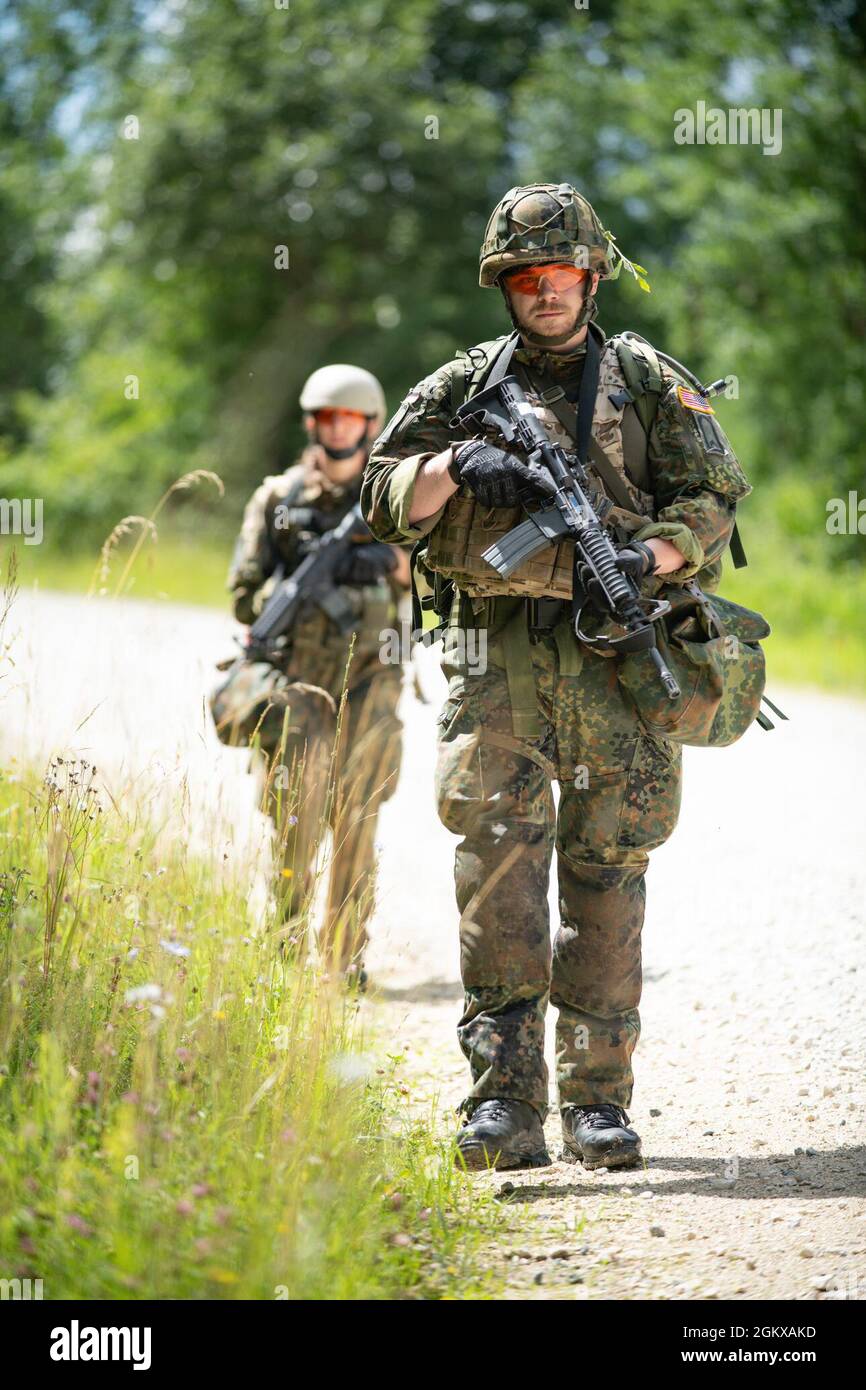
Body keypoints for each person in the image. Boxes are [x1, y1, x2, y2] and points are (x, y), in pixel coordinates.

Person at [361, 183, 752, 1167]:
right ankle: (499, 1102)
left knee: (606, 877)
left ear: (590, 277)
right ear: (506, 283)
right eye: (527, 277)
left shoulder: (645, 378)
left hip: (614, 664)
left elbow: (713, 496)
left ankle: (596, 1102)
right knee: (495, 869)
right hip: (496, 660)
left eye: (563, 275)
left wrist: (651, 558)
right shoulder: (462, 383)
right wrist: (454, 464)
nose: (546, 292)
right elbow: (379, 492)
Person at [211, 364, 410, 983]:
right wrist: (293, 585)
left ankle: (344, 964)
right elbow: (243, 594)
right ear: (312, 424)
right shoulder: (278, 499)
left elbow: (439, 583)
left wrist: (386, 563)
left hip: (372, 682)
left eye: (349, 420)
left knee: (357, 821)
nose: (337, 430)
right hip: (297, 692)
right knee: (293, 819)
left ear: (370, 426)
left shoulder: (394, 498)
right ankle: (284, 948)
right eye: (327, 419)